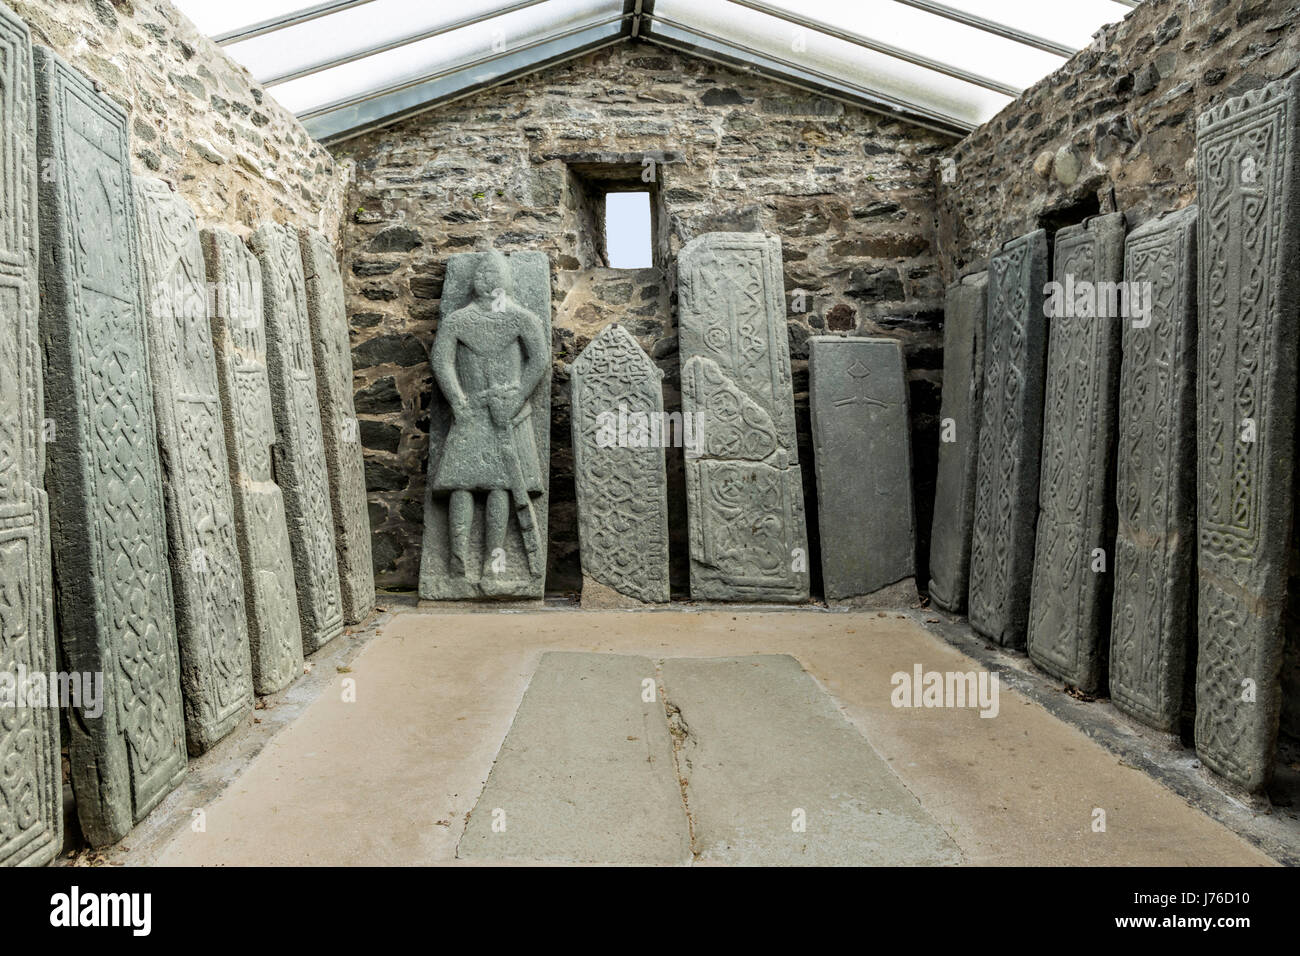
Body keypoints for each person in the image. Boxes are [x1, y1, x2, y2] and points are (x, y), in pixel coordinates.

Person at [429, 251, 548, 590]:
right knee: (461, 484)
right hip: (471, 413)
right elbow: (442, 362)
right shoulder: (457, 320)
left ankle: (493, 564)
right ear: (472, 280)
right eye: (481, 274)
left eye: (493, 274)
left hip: (506, 414)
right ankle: (457, 563)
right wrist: (458, 401)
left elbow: (538, 360)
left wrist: (516, 398)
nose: (486, 280)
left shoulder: (521, 318)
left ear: (505, 280)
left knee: (502, 487)